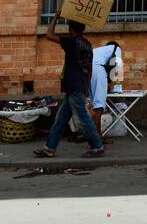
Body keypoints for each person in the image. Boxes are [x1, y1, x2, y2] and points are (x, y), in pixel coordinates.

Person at [34, 18, 105, 158]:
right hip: (79, 85)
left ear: (70, 29)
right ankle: (49, 148)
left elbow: (49, 34)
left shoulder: (71, 42)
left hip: (73, 85)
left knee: (84, 118)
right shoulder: (87, 45)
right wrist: (86, 85)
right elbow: (89, 68)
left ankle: (97, 146)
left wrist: (55, 17)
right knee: (61, 119)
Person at [89, 41, 121, 136]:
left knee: (94, 105)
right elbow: (116, 68)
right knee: (99, 107)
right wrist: (109, 84)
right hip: (97, 70)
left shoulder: (99, 51)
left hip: (87, 71)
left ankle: (97, 137)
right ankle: (97, 139)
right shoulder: (117, 49)